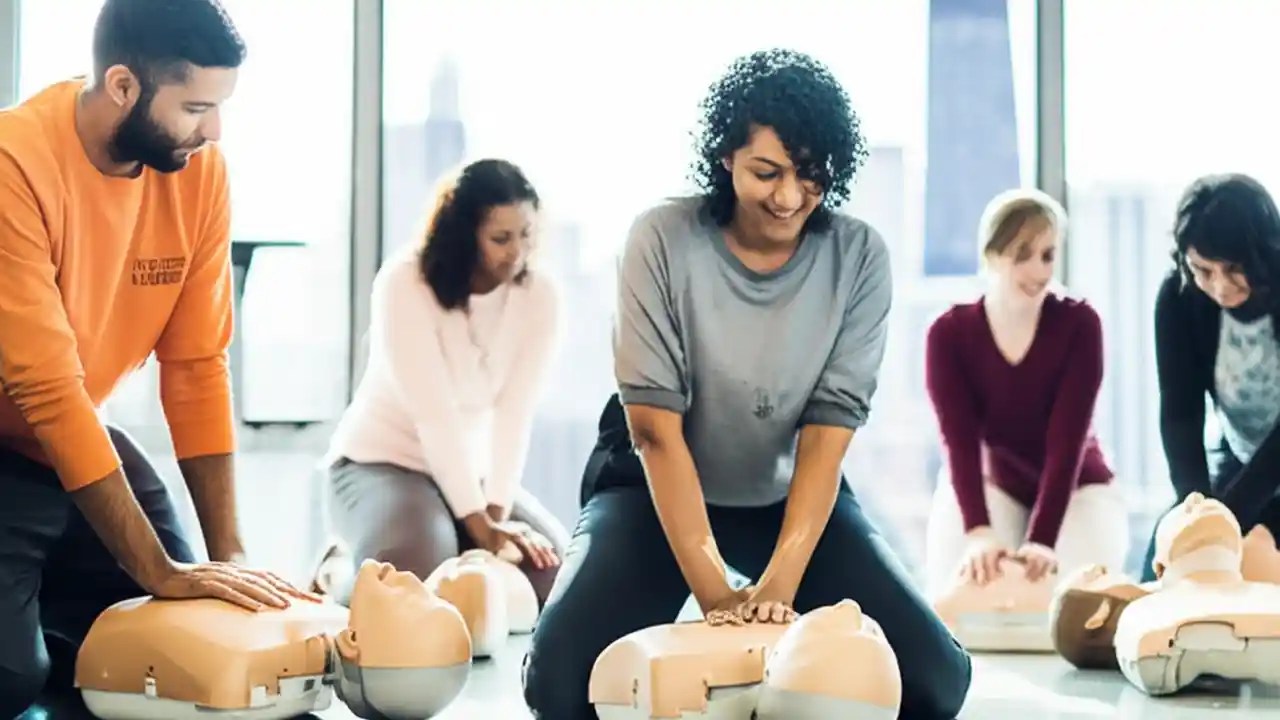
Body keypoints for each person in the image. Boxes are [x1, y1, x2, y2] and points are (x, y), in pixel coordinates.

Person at [522, 49, 971, 720]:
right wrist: (718, 599)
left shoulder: (859, 257)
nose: (789, 197)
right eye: (768, 172)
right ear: (726, 157)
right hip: (649, 488)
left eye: (811, 177)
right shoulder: (660, 239)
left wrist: (781, 584)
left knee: (935, 680)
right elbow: (653, 432)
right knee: (559, 686)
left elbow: (827, 436)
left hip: (786, 493)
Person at [0, 1, 315, 716]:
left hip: (70, 440)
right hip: (14, 433)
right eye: (196, 106)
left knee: (186, 637)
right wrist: (159, 569)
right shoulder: (13, 163)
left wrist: (225, 555)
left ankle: (47, 615)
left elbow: (198, 365)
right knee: (12, 679)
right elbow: (46, 389)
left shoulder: (198, 173)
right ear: (121, 86)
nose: (214, 131)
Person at [320, 158, 568, 607]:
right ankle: (336, 574)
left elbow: (514, 414)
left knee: (553, 573)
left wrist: (494, 520)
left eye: (527, 235)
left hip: (468, 478)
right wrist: (479, 530)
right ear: (464, 234)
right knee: (416, 573)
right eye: (500, 239)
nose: (518, 252)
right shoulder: (405, 282)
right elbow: (433, 416)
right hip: (380, 463)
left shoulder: (540, 295)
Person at [921, 189, 1128, 598]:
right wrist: (978, 531)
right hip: (997, 483)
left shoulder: (1080, 324)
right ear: (991, 255)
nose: (1038, 270)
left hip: (1079, 485)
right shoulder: (948, 334)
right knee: (957, 588)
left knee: (1071, 599)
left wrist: (1043, 539)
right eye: (1023, 254)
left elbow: (1066, 442)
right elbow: (958, 442)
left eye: (1048, 255)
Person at [1140, 173, 1280, 582]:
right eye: (1202, 269)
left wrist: (1227, 517)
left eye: (1233, 269)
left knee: (1252, 557)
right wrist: (1195, 508)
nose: (1218, 286)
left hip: (1264, 466)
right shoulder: (1179, 299)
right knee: (1166, 556)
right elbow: (1180, 413)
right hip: (1239, 457)